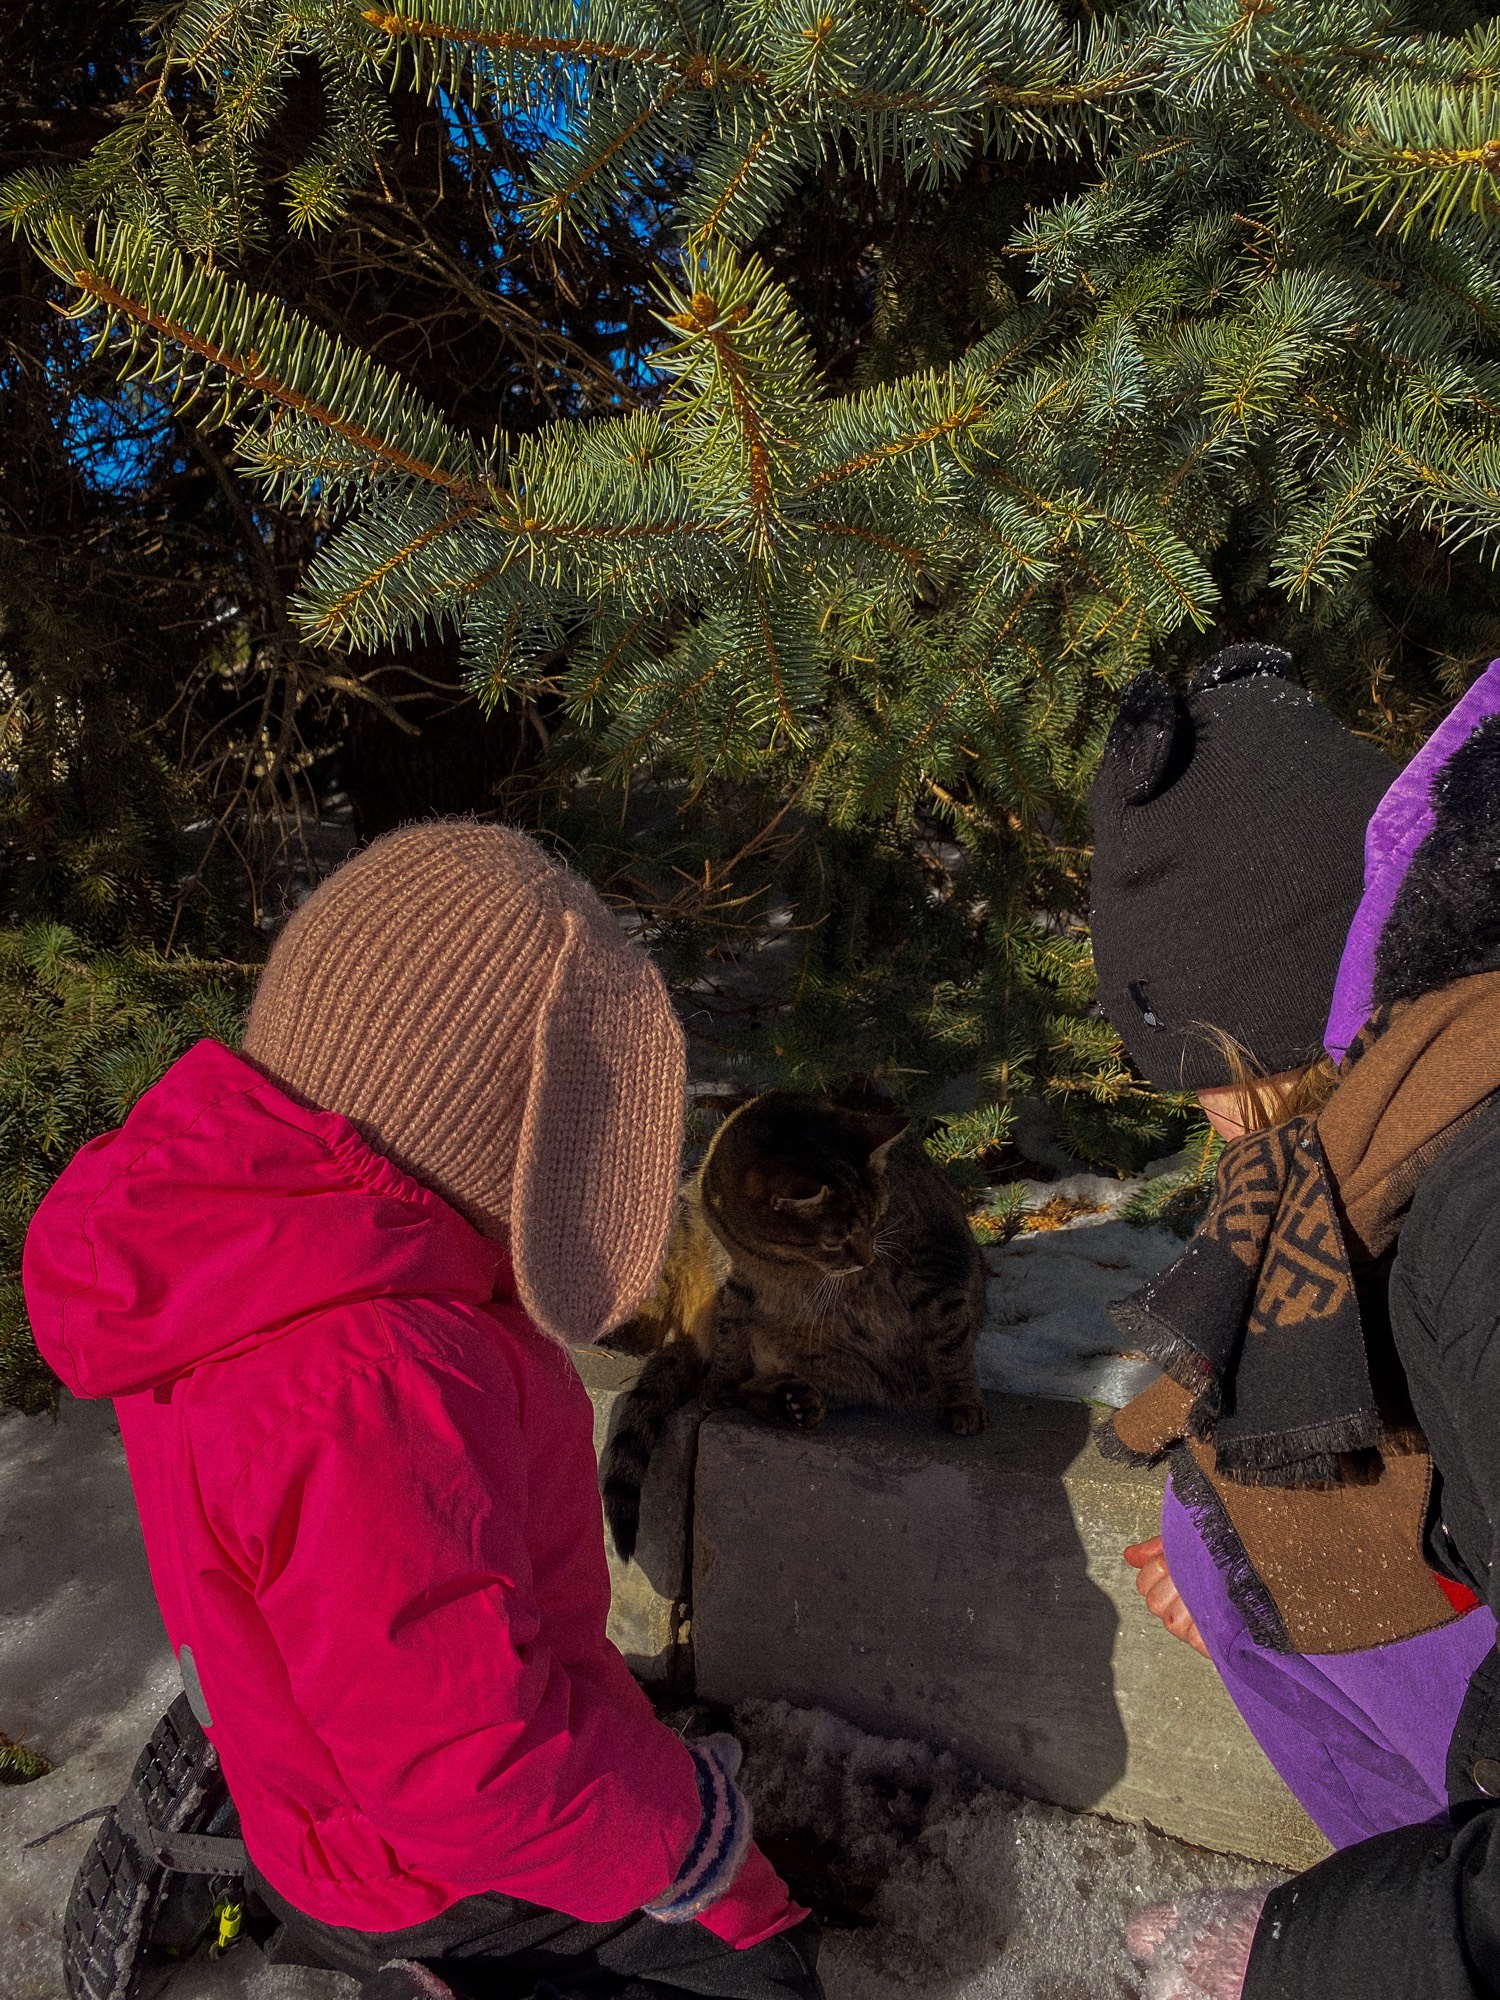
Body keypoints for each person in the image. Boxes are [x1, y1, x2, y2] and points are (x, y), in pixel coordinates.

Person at [23, 822, 823, 2000]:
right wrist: (682, 1829)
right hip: (422, 1866)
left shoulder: (237, 1244)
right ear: (508, 1131)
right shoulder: (378, 1370)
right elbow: (473, 1773)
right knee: (762, 1972)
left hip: (320, 1779)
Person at [1088, 643, 1500, 1999]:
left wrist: (1317, 1958)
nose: (1212, 1131)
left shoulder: (1471, 1219)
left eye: (1215, 1081)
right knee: (1221, 1556)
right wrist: (1243, 1545)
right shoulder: (1404, 1114)